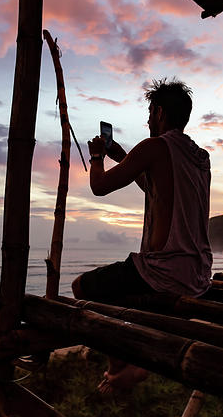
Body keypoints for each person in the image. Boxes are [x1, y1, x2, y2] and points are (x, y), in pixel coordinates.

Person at [72, 78, 212, 393]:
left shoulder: (155, 146)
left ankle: (123, 365)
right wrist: (122, 155)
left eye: (150, 112)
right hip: (199, 274)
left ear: (160, 112)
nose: (148, 120)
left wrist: (96, 157)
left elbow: (99, 186)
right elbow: (153, 186)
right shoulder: (199, 157)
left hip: (163, 271)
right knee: (127, 294)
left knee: (81, 287)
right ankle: (131, 362)